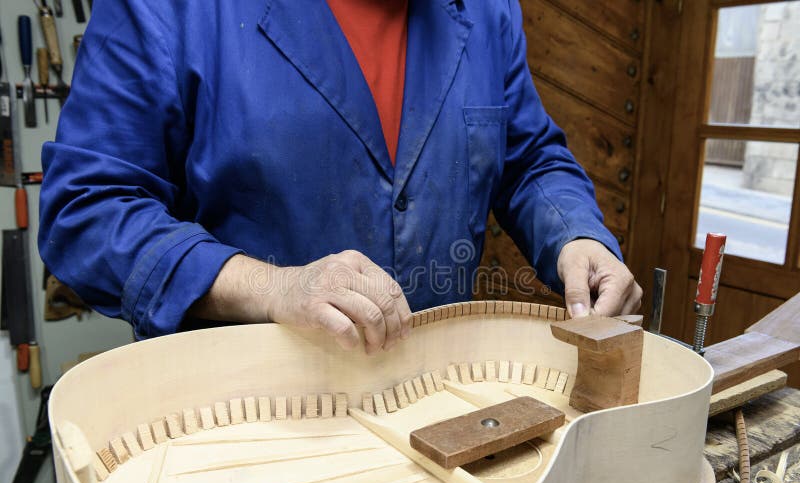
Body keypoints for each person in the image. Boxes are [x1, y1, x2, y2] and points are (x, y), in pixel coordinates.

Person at [39, 0, 642, 353]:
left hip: (429, 407)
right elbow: (88, 209)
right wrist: (272, 289)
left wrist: (577, 236)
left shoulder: (486, 11)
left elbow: (528, 156)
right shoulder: (171, 10)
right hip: (241, 421)